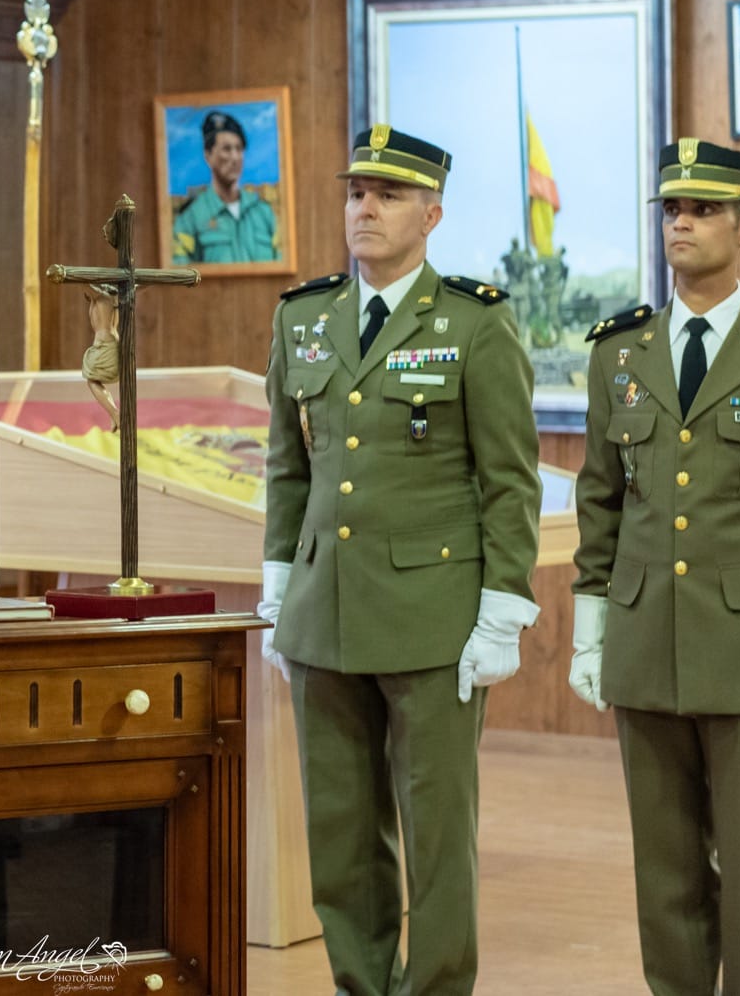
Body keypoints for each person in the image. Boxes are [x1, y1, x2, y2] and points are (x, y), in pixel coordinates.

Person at [258, 125, 542, 995]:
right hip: (324, 614)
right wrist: (279, 588)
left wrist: (502, 611)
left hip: (432, 622)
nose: (366, 208)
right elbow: (287, 468)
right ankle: (362, 984)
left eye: (387, 195)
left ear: (432, 214)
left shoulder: (474, 323)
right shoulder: (304, 318)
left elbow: (509, 481)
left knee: (437, 838)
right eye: (355, 192)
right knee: (341, 838)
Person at [569, 139, 740, 995]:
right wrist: (591, 628)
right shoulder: (620, 353)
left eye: (704, 210)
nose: (681, 222)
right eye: (672, 209)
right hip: (645, 644)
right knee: (665, 872)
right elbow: (601, 499)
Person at [171, 109, 279, 264]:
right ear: (208, 155)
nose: (235, 157)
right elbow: (180, 271)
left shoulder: (263, 213)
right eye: (226, 149)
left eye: (239, 149)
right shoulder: (191, 218)